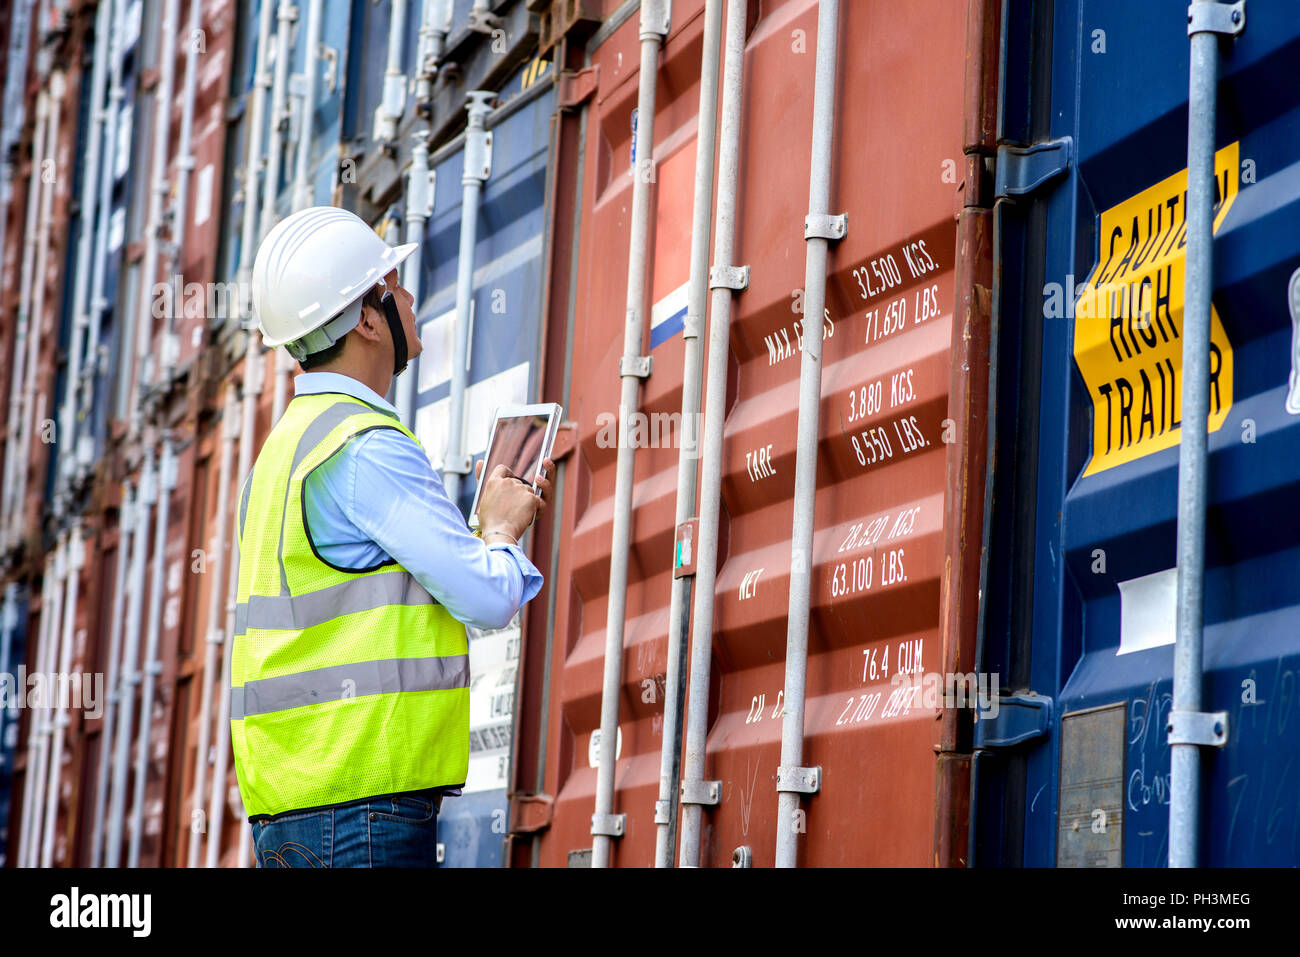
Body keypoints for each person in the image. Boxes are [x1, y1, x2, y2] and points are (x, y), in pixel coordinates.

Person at [231, 205, 553, 867]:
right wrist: (499, 530)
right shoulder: (366, 445)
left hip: (292, 807)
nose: (410, 296)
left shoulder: (283, 452)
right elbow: (488, 598)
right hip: (364, 810)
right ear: (369, 319)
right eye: (396, 284)